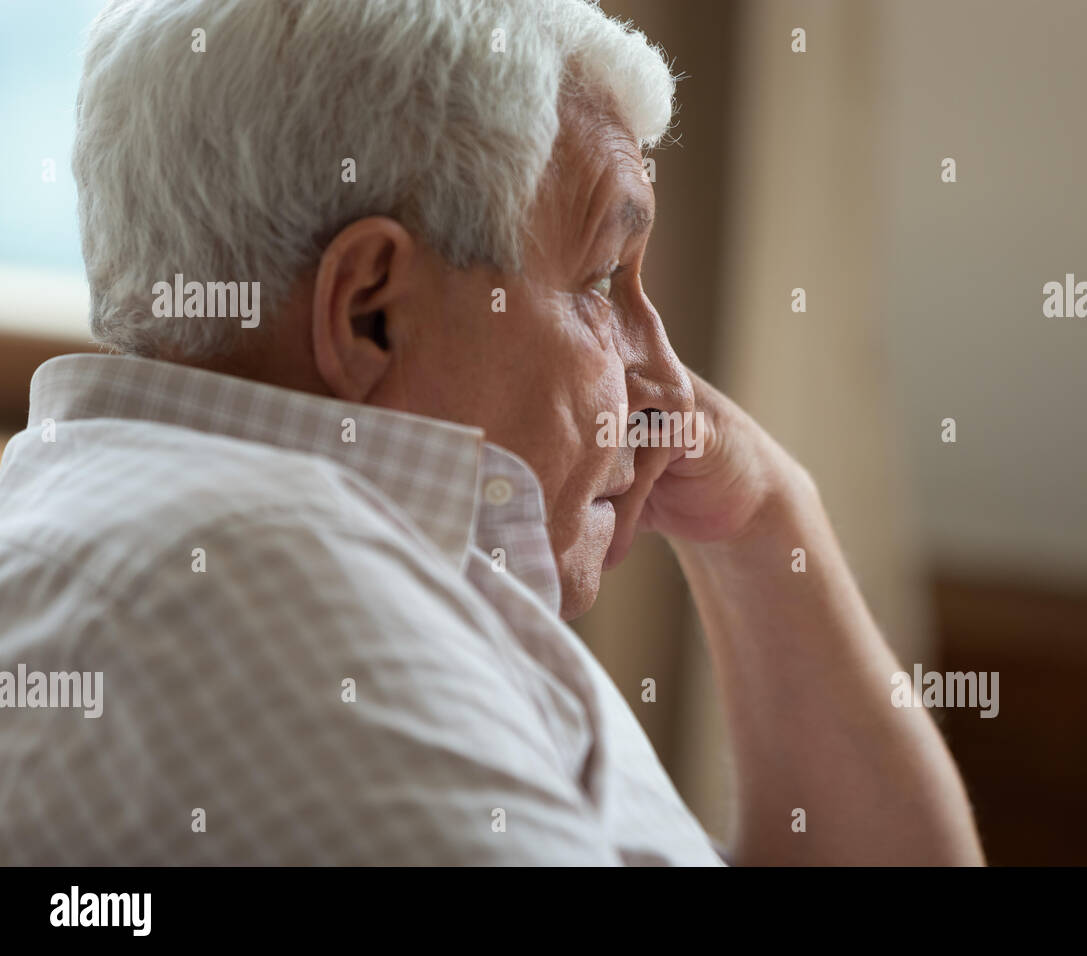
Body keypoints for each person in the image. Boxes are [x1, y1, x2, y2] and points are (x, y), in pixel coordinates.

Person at [0, 0, 983, 865]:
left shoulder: (164, 513)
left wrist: (765, 518)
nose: (668, 386)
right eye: (602, 281)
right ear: (369, 312)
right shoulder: (272, 573)